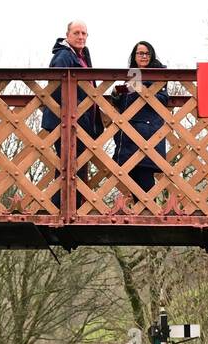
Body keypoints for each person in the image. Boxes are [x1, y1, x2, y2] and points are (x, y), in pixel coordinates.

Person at [41, 21, 103, 209]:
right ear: (67, 35)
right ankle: (64, 209)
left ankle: (69, 208)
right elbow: (58, 90)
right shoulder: (63, 57)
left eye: (84, 33)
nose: (81, 37)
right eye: (76, 33)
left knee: (75, 167)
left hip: (79, 121)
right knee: (69, 167)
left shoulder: (81, 56)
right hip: (68, 121)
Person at [111, 42, 168, 201]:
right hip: (129, 137)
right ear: (134, 56)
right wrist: (116, 92)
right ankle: (141, 211)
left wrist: (141, 89)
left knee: (145, 182)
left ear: (152, 55)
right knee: (134, 182)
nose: (143, 56)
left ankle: (148, 212)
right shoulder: (133, 74)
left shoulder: (158, 74)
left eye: (147, 53)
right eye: (140, 53)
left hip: (147, 136)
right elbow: (125, 101)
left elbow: (163, 100)